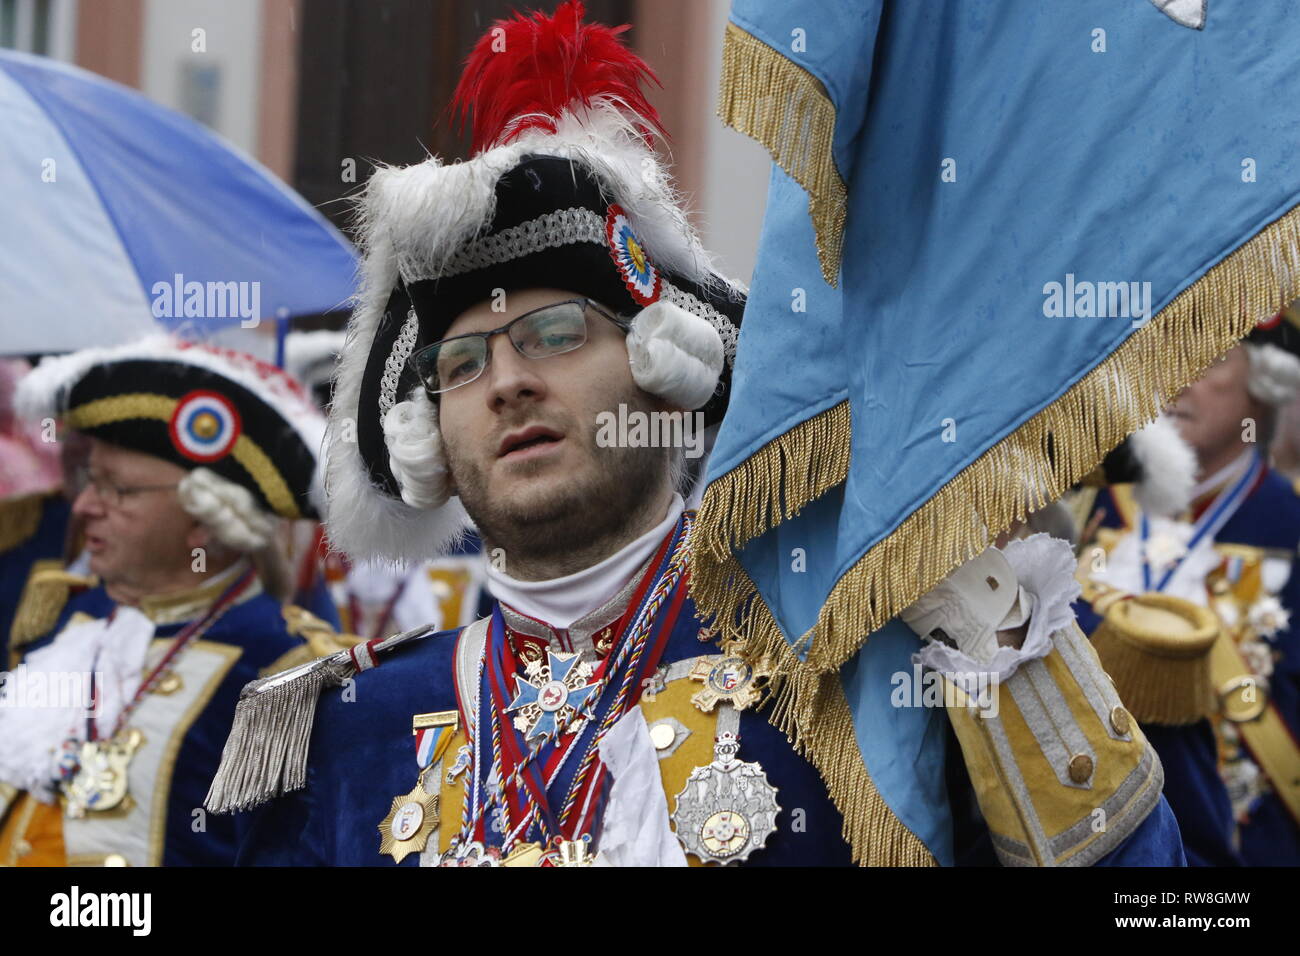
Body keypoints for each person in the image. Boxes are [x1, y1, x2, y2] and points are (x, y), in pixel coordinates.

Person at [208, 1, 1182, 867]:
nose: (507, 381)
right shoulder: (344, 730)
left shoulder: (858, 671)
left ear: (667, 371)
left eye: (554, 334)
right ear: (424, 434)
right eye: (462, 363)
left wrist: (999, 620)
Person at [0, 337, 354, 866]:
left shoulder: (282, 666)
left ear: (202, 518)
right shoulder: (65, 618)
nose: (86, 507)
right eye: (89, 483)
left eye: (118, 489)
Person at [1076, 313, 1300, 866]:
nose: (1177, 375)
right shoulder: (1089, 506)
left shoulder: (1289, 529)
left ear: (1266, 381)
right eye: (1165, 349)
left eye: (1211, 357)